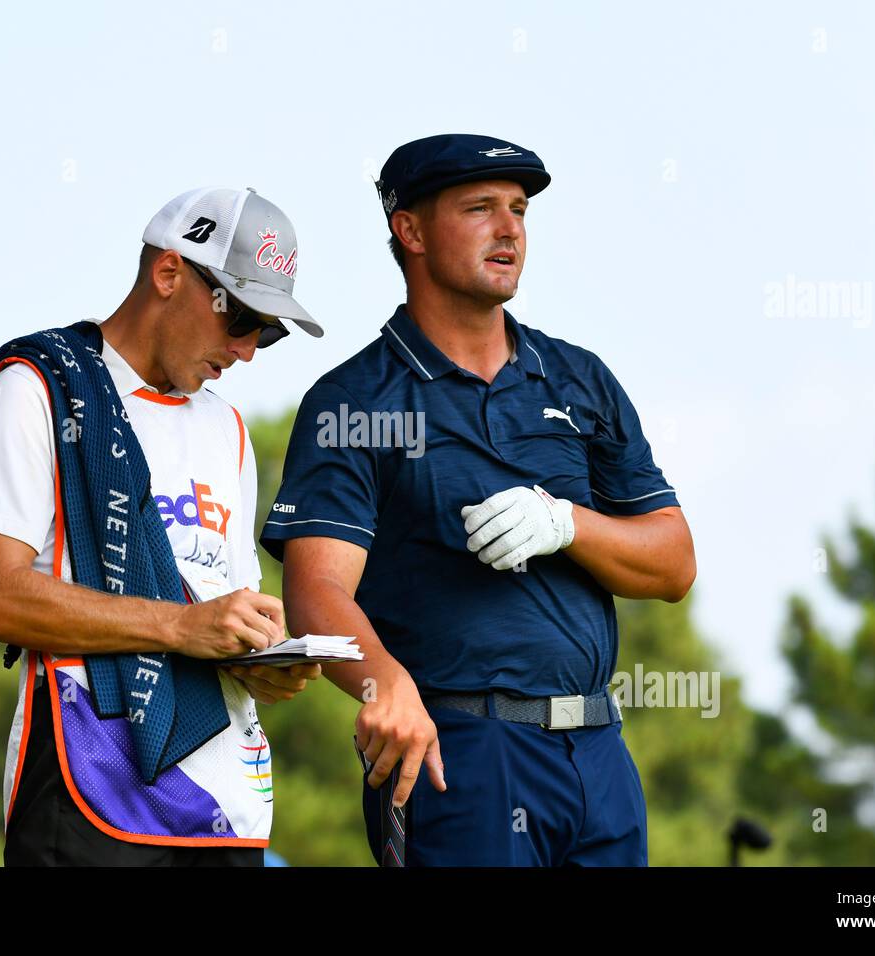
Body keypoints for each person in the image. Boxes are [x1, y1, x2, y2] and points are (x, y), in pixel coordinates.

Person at [260, 135, 696, 866]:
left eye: (520, 211)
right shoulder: (355, 400)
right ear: (412, 231)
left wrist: (567, 523)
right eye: (481, 208)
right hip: (461, 753)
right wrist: (384, 682)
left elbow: (673, 564)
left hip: (601, 753)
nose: (510, 230)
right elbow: (316, 594)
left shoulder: (579, 380)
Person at [0, 186, 323, 866]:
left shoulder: (229, 429)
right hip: (91, 784)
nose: (248, 352)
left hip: (225, 800)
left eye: (268, 330)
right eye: (239, 318)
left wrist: (261, 658)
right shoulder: (36, 387)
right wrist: (181, 627)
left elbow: (220, 612)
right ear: (169, 273)